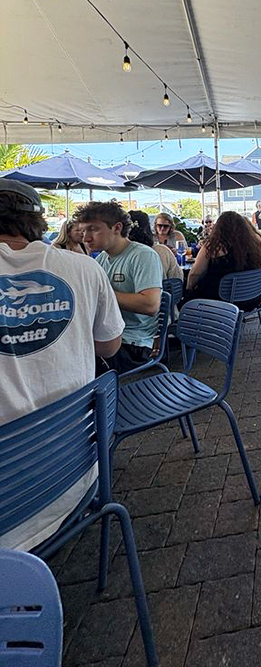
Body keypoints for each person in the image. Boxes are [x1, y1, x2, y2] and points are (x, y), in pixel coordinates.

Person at [0, 180, 124, 551]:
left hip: (9, 509)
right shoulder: (84, 268)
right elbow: (108, 345)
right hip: (76, 470)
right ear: (37, 221)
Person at [74, 201, 162, 374]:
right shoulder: (101, 259)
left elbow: (151, 305)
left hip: (133, 343)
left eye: (93, 229)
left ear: (117, 228)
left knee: (75, 363)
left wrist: (101, 294)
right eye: (83, 231)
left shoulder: (143, 255)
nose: (86, 238)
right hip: (105, 336)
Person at [184, 211, 261, 306]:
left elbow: (195, 274)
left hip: (217, 303)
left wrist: (188, 289)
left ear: (219, 228)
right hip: (250, 299)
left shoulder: (213, 247)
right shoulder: (254, 245)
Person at [129, 211, 182, 281]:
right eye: (160, 225)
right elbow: (177, 279)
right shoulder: (161, 250)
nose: (162, 228)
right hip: (162, 290)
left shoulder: (118, 254)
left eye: (165, 226)